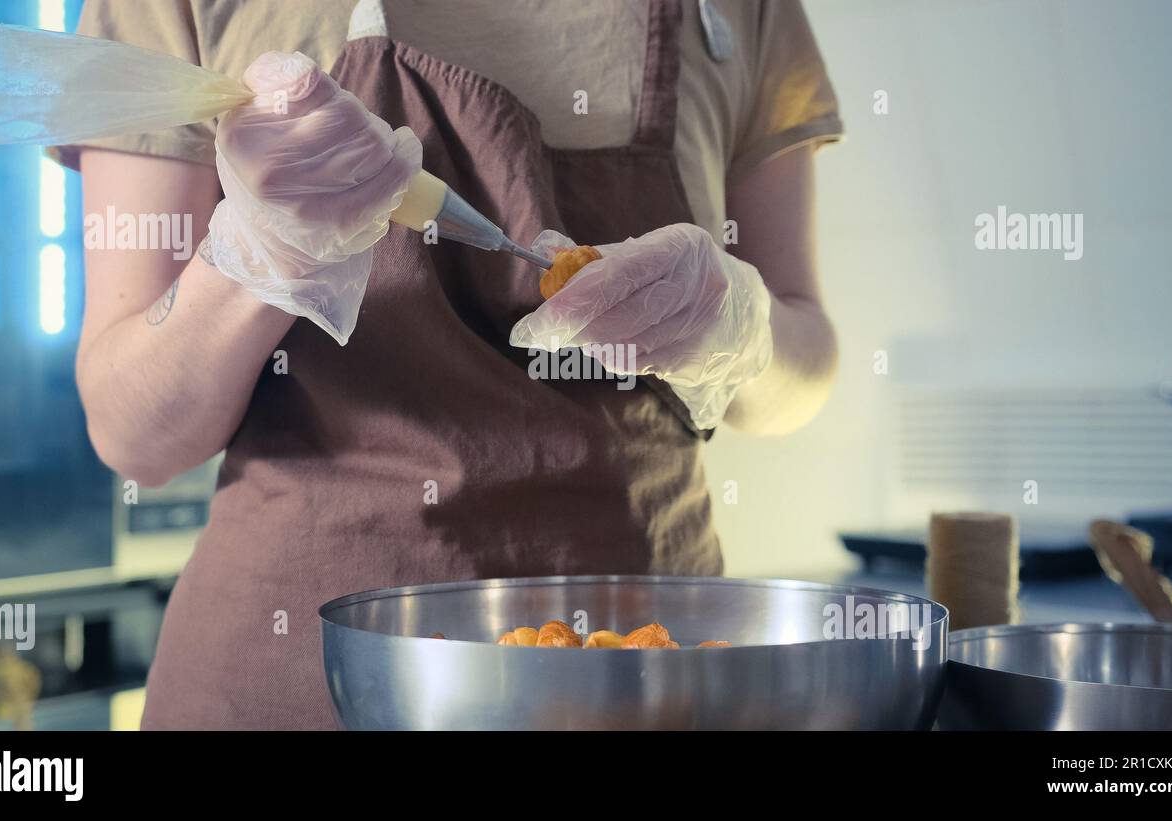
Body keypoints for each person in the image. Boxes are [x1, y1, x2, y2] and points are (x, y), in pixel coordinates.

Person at [56, 0, 842, 729]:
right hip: (301, 680)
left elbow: (803, 374)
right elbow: (135, 435)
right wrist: (257, 256)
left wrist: (741, 330)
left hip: (645, 677)